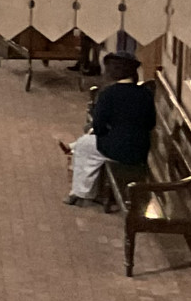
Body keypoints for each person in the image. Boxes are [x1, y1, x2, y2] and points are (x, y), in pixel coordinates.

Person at [62, 52, 154, 209]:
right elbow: (151, 123)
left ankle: (79, 193)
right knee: (88, 143)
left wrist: (109, 130)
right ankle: (74, 151)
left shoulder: (108, 94)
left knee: (85, 145)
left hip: (119, 150)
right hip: (140, 148)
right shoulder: (145, 94)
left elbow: (98, 127)